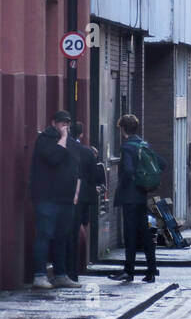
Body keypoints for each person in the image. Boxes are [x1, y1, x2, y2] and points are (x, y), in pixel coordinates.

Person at [28, 110, 82, 289]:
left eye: (67, 123)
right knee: (44, 235)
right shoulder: (44, 140)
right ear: (53, 123)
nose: (65, 126)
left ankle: (61, 274)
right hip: (47, 198)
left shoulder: (72, 144)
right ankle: (39, 275)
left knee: (61, 237)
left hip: (66, 199)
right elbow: (54, 158)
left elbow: (76, 169)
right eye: (61, 123)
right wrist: (64, 137)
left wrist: (75, 193)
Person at [111, 114, 165, 283]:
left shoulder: (127, 147)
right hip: (141, 196)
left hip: (130, 197)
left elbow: (127, 170)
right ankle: (151, 269)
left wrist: (125, 185)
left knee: (130, 234)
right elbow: (162, 164)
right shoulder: (143, 144)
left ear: (122, 129)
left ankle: (129, 271)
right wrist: (143, 181)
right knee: (145, 233)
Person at [70, 122, 105, 281]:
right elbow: (93, 177)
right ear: (81, 135)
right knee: (80, 229)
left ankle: (69, 269)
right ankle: (79, 266)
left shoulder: (64, 148)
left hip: (64, 197)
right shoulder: (87, 152)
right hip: (83, 197)